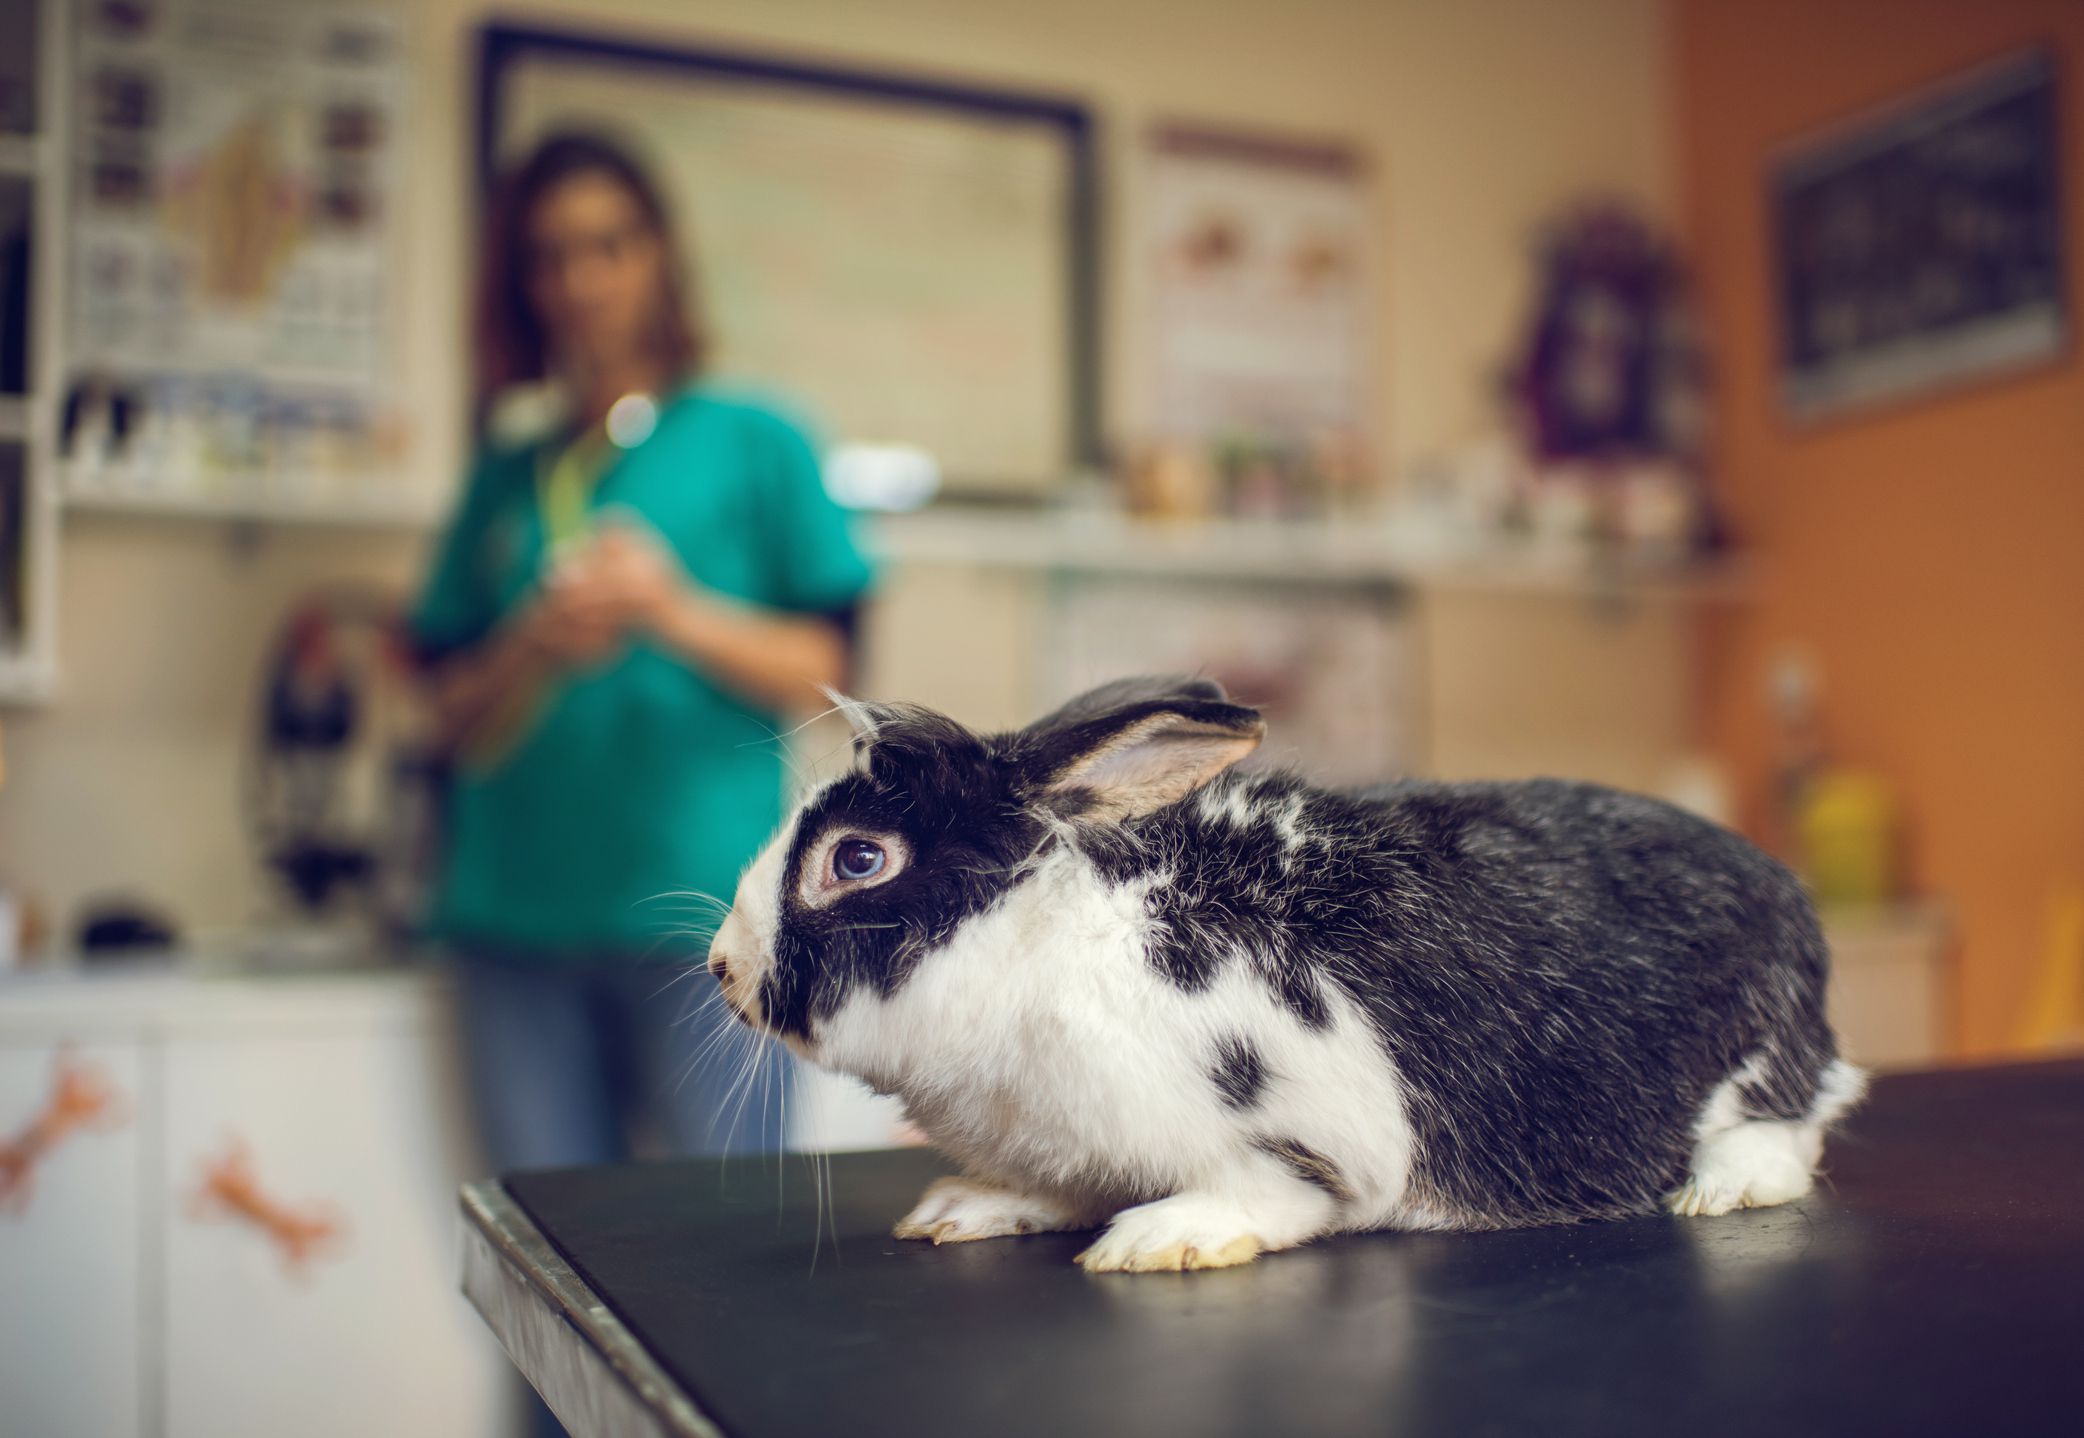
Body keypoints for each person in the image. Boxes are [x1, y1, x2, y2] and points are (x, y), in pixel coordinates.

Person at [411, 132, 872, 1185]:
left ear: (658, 256)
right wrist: (528, 641)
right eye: (549, 255)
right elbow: (442, 718)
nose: (580, 281)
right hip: (510, 931)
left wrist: (672, 611)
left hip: (705, 927)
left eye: (608, 245)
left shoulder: (761, 441)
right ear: (520, 282)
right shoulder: (507, 472)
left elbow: (831, 674)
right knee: (546, 1276)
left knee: (728, 1267)